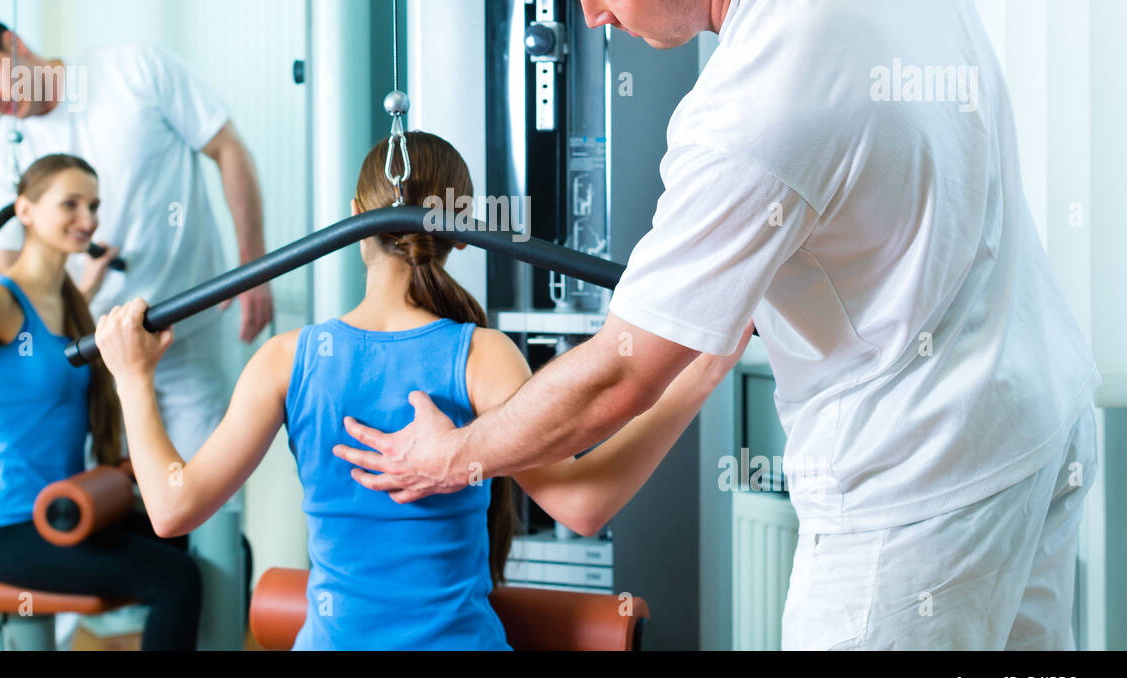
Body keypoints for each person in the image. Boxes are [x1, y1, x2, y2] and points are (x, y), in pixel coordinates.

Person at [331, 0, 1101, 651]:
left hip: (916, 494)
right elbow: (900, 167)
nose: (590, 18)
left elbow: (613, 382)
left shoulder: (746, 116)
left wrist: (453, 457)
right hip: (1039, 420)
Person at [93, 131, 750, 649]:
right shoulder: (479, 355)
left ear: (353, 219)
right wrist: (698, 378)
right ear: (461, 230)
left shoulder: (287, 360)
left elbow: (171, 509)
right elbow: (583, 505)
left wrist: (132, 377)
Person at [0, 154, 200, 651]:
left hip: (66, 512)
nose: (88, 219)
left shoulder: (69, 298)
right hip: (11, 527)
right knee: (176, 579)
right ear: (25, 211)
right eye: (70, 204)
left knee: (204, 541)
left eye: (93, 205)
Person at [0, 14, 272, 462]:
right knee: (110, 499)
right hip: (97, 348)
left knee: (205, 496)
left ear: (13, 43)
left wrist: (254, 267)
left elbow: (227, 149)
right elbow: (0, 266)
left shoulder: (131, 70)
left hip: (190, 328)